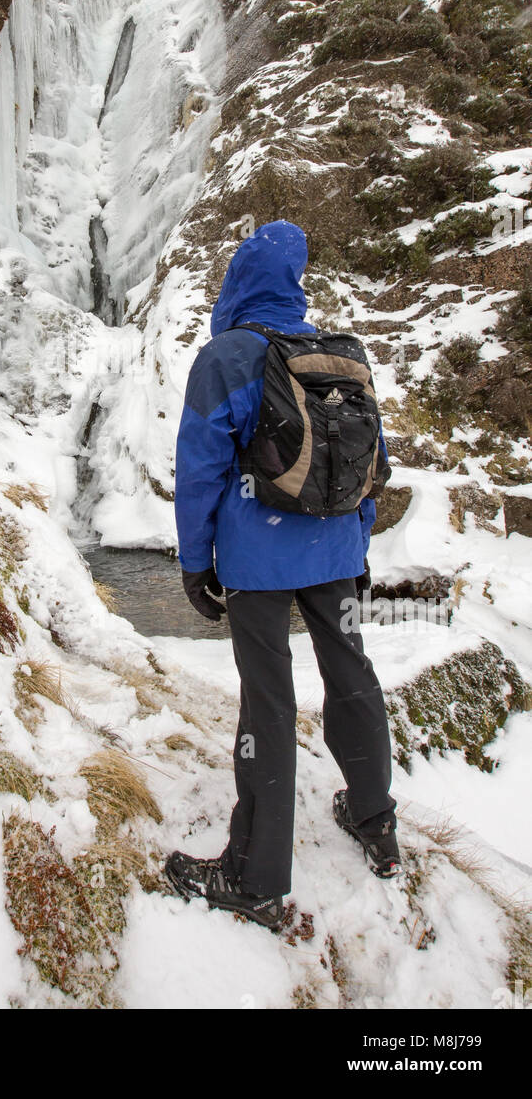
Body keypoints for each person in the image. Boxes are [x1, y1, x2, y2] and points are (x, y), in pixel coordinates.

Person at [166, 220, 398, 931]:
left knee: (267, 699)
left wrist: (195, 564)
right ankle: (375, 822)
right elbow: (374, 468)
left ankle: (255, 874)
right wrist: (356, 547)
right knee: (351, 674)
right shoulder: (341, 353)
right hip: (337, 552)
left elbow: (200, 472)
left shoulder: (228, 356)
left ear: (238, 283)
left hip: (257, 557)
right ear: (294, 286)